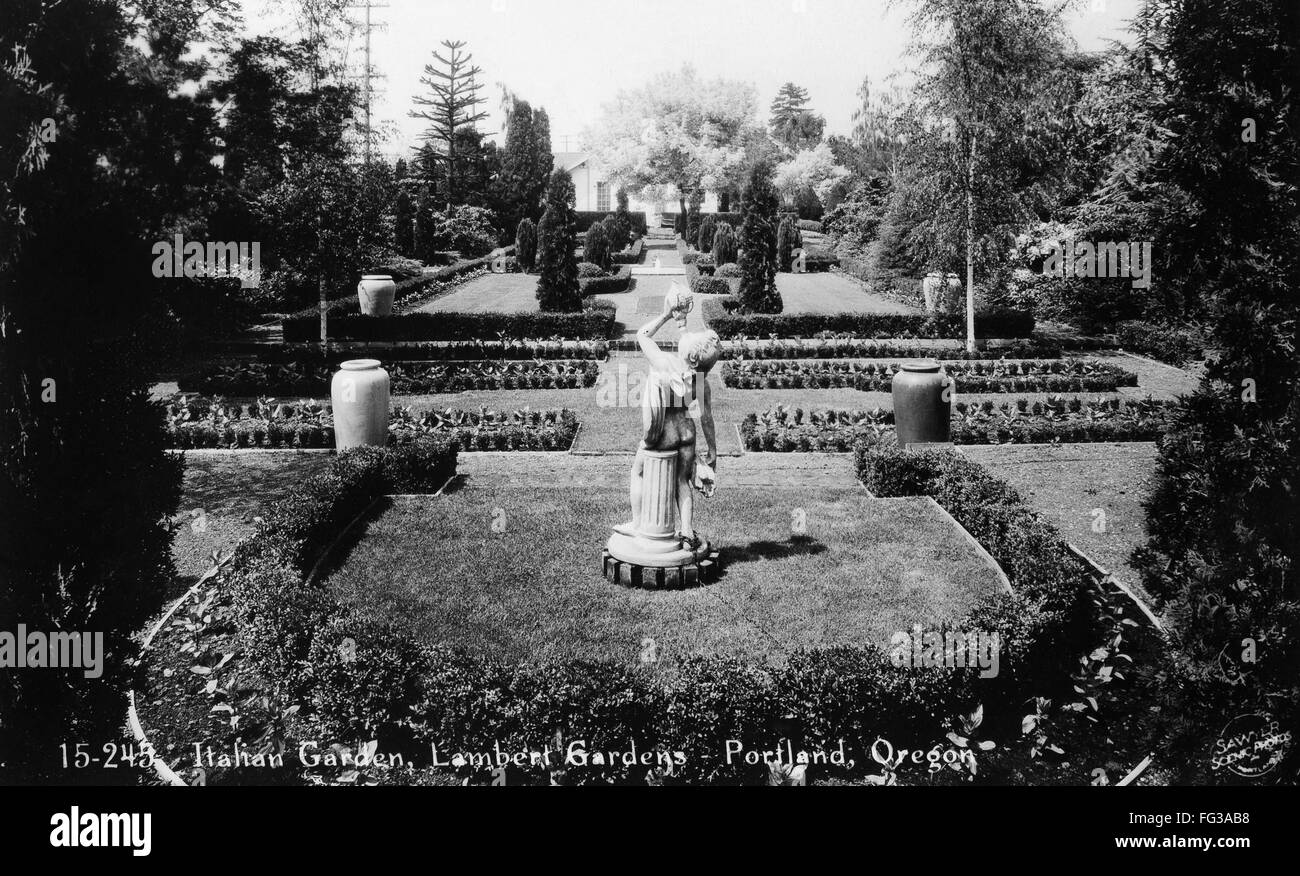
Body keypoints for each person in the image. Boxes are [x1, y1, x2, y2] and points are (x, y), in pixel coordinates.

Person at [614, 284, 720, 548]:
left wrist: (665, 315)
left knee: (637, 472)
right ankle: (686, 532)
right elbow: (706, 418)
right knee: (682, 482)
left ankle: (638, 524)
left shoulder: (666, 364)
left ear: (690, 355)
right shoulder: (700, 380)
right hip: (687, 432)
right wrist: (713, 450)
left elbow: (642, 335)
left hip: (664, 432)